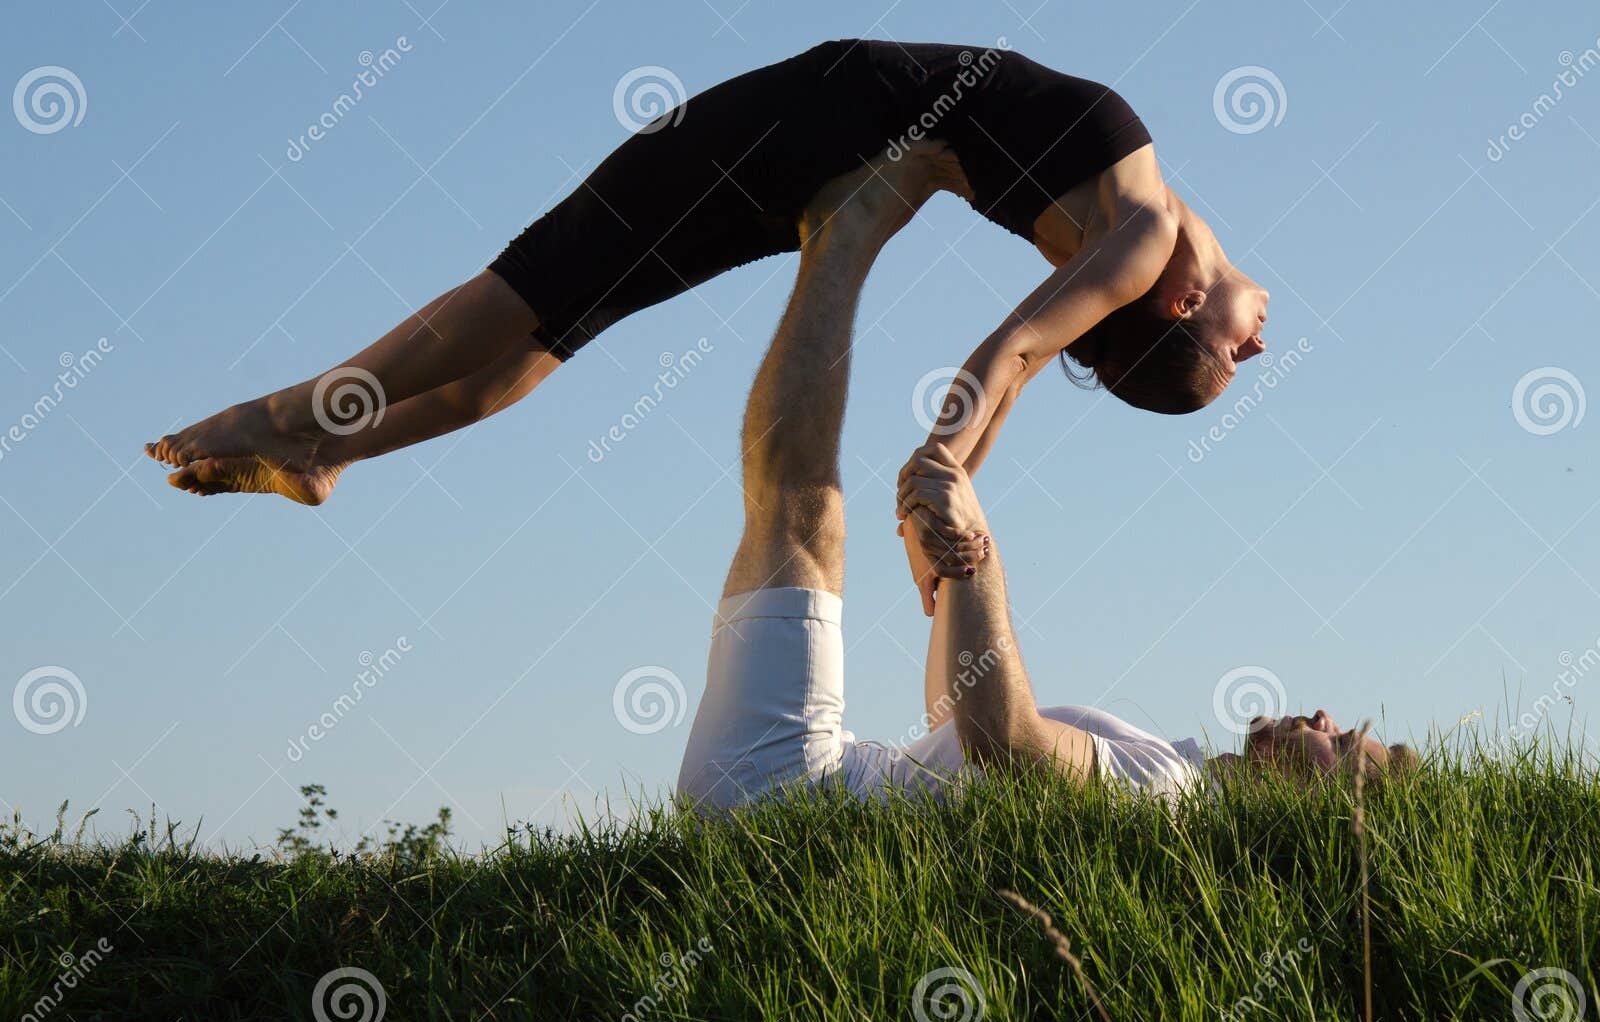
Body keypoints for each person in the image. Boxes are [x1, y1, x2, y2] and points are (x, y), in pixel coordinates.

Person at [144, 39, 1268, 605]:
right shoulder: (1125, 243)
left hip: (815, 122)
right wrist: (946, 490)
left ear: (1174, 304)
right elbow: (1019, 372)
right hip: (832, 154)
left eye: (1230, 351)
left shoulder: (1139, 233)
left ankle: (294, 418)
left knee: (530, 296)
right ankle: (328, 448)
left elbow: (1012, 355)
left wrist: (937, 470)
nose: (1258, 338)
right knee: (539, 339)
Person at [677, 157, 1401, 812]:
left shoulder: (1167, 795)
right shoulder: (1171, 771)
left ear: (1311, 810)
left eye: (1338, 746)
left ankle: (844, 221)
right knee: (793, 507)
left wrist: (969, 547)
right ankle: (837, 224)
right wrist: (951, 569)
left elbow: (1010, 746)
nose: (1324, 719)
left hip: (785, 789)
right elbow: (956, 718)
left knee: (804, 509)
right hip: (786, 787)